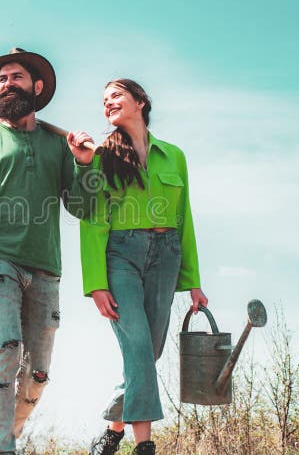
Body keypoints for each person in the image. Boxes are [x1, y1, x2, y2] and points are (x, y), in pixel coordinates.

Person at [0, 47, 96, 455]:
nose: (7, 84)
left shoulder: (56, 143)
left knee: (38, 375)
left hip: (46, 268)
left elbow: (82, 207)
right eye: (1, 80)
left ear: (38, 87)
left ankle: (5, 434)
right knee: (6, 348)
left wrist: (83, 163)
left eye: (15, 78)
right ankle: (1, 450)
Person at [80, 79, 208, 455]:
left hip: (167, 256)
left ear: (140, 101)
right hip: (121, 255)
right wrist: (96, 282)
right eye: (104, 101)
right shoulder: (103, 155)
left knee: (146, 353)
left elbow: (184, 220)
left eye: (116, 95)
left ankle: (113, 431)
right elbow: (92, 217)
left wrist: (193, 282)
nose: (108, 103)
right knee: (137, 346)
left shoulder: (175, 156)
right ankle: (145, 445)